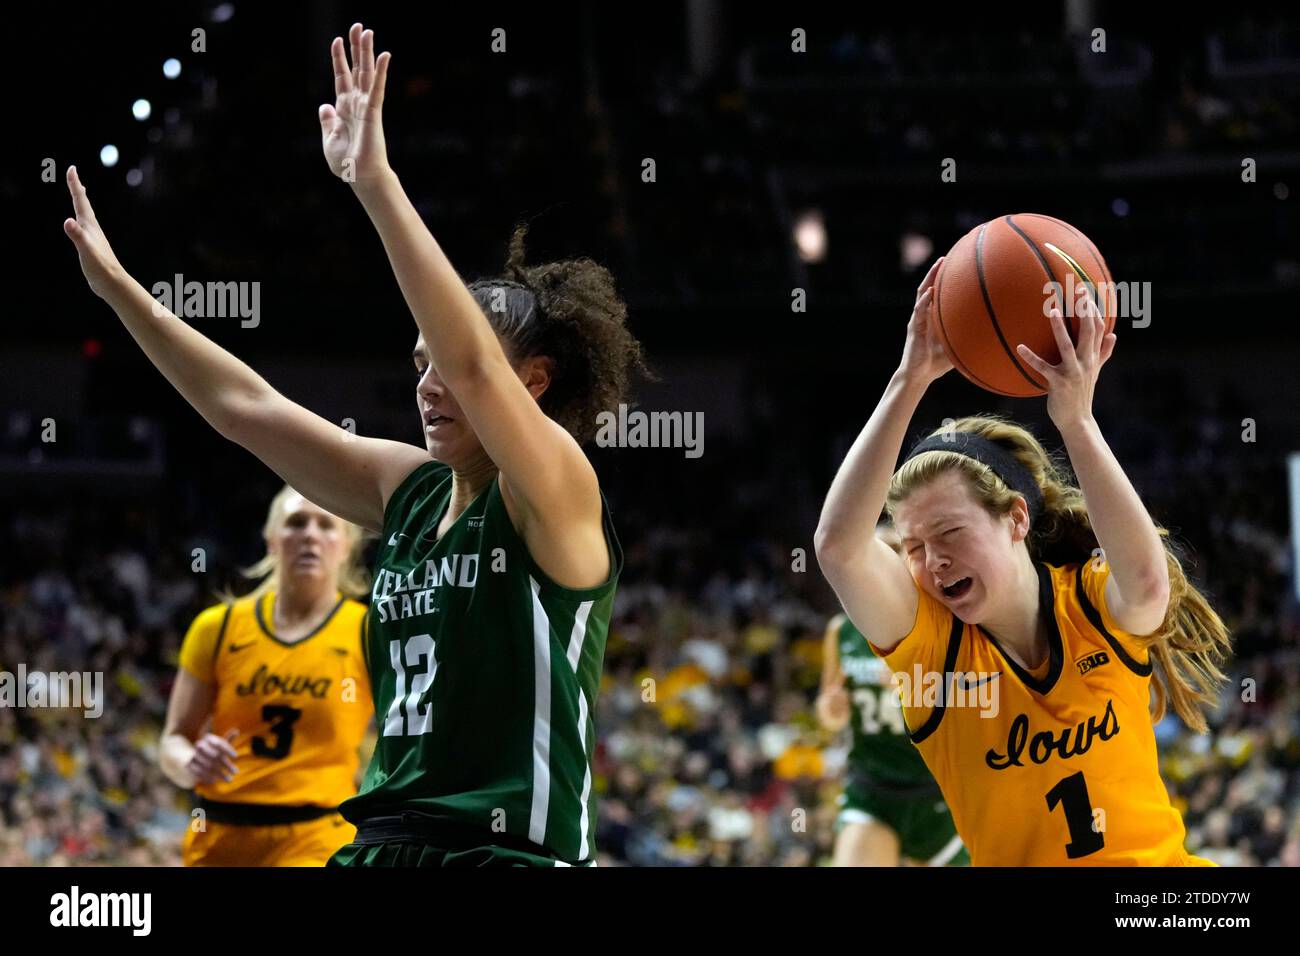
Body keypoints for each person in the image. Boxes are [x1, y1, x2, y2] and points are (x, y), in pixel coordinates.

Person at [63, 21, 646, 867]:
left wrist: (375, 184)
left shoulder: (555, 491)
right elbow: (245, 409)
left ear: (537, 382)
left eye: (443, 360)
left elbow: (477, 371)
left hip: (507, 855)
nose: (427, 383)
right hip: (378, 844)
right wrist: (127, 299)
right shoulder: (406, 493)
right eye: (418, 364)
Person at [814, 258, 1230, 865]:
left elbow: (1145, 583)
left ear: (1015, 518)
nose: (933, 561)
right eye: (913, 547)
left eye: (950, 532)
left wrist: (1078, 421)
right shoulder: (933, 647)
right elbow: (837, 547)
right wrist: (909, 378)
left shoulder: (1088, 598)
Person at [160, 487, 372, 865]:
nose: (310, 534)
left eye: (326, 525)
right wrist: (190, 760)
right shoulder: (218, 628)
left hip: (316, 836)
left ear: (346, 547)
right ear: (271, 541)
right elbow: (173, 741)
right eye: (295, 523)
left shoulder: (368, 631)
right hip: (218, 835)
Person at [816, 523, 968, 867]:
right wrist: (831, 710)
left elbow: (978, 703)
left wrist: (915, 687)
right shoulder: (841, 632)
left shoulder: (944, 624)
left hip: (938, 791)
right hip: (873, 789)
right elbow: (831, 715)